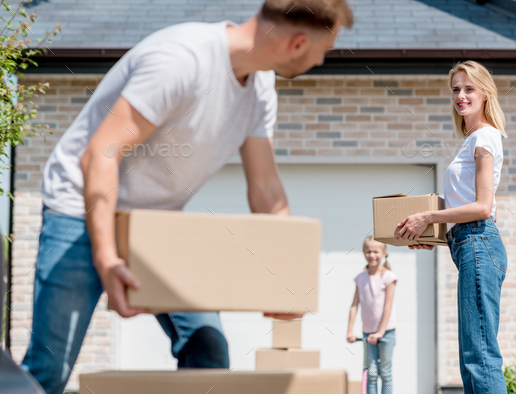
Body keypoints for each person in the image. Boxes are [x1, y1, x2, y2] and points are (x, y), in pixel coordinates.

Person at [20, 1, 354, 393]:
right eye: (323, 52)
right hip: (79, 209)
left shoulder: (260, 84)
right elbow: (102, 153)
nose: (319, 62)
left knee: (207, 352)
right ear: (298, 43)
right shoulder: (182, 59)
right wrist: (107, 256)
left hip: (153, 223)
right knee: (49, 370)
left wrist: (282, 278)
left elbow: (265, 186)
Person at [395, 60, 508, 393]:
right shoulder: (471, 139)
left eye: (469, 88)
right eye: (456, 89)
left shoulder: (485, 137)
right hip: (469, 244)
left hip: (478, 245)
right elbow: (469, 206)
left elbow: (483, 208)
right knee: (471, 358)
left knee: (481, 357)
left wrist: (428, 218)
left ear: (486, 93)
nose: (461, 96)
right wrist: (432, 234)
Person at [346, 236, 397, 394]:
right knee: (372, 373)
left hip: (386, 332)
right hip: (368, 333)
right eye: (368, 251)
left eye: (376, 251)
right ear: (363, 253)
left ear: (384, 253)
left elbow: (388, 306)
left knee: (385, 372)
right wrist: (350, 330)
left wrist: (380, 332)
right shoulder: (361, 278)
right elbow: (355, 305)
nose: (372, 255)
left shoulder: (388, 277)